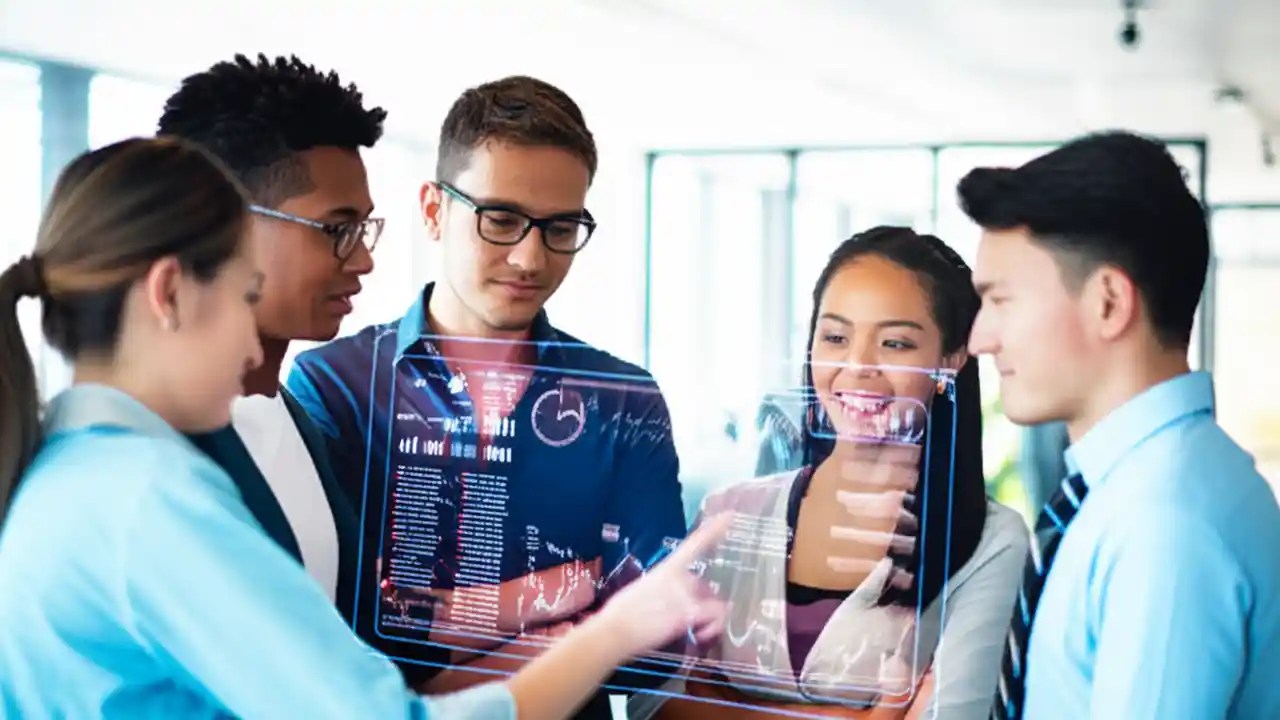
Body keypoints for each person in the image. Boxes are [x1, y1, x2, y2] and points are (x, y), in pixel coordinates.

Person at [0, 136, 730, 720]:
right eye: (243, 298)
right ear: (168, 294)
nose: (255, 349)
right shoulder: (152, 499)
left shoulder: (69, 471)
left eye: (560, 226)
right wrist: (610, 624)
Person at [286, 74, 687, 712]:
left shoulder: (621, 399)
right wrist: (570, 593)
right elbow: (345, 638)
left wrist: (464, 620)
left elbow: (658, 644)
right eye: (501, 219)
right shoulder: (335, 387)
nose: (530, 259)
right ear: (433, 210)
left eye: (560, 228)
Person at [959, 131, 1280, 719]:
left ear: (1108, 301)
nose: (980, 338)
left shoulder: (1165, 522)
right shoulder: (1139, 490)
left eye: (1000, 301)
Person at [650, 227, 1029, 720]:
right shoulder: (728, 512)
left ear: (952, 360)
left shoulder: (990, 542)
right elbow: (654, 704)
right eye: (835, 337)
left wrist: (725, 708)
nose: (857, 367)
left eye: (894, 343)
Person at [154, 53, 385, 619]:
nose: (362, 260)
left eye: (362, 229)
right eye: (337, 229)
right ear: (223, 220)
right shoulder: (157, 454)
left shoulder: (293, 417)